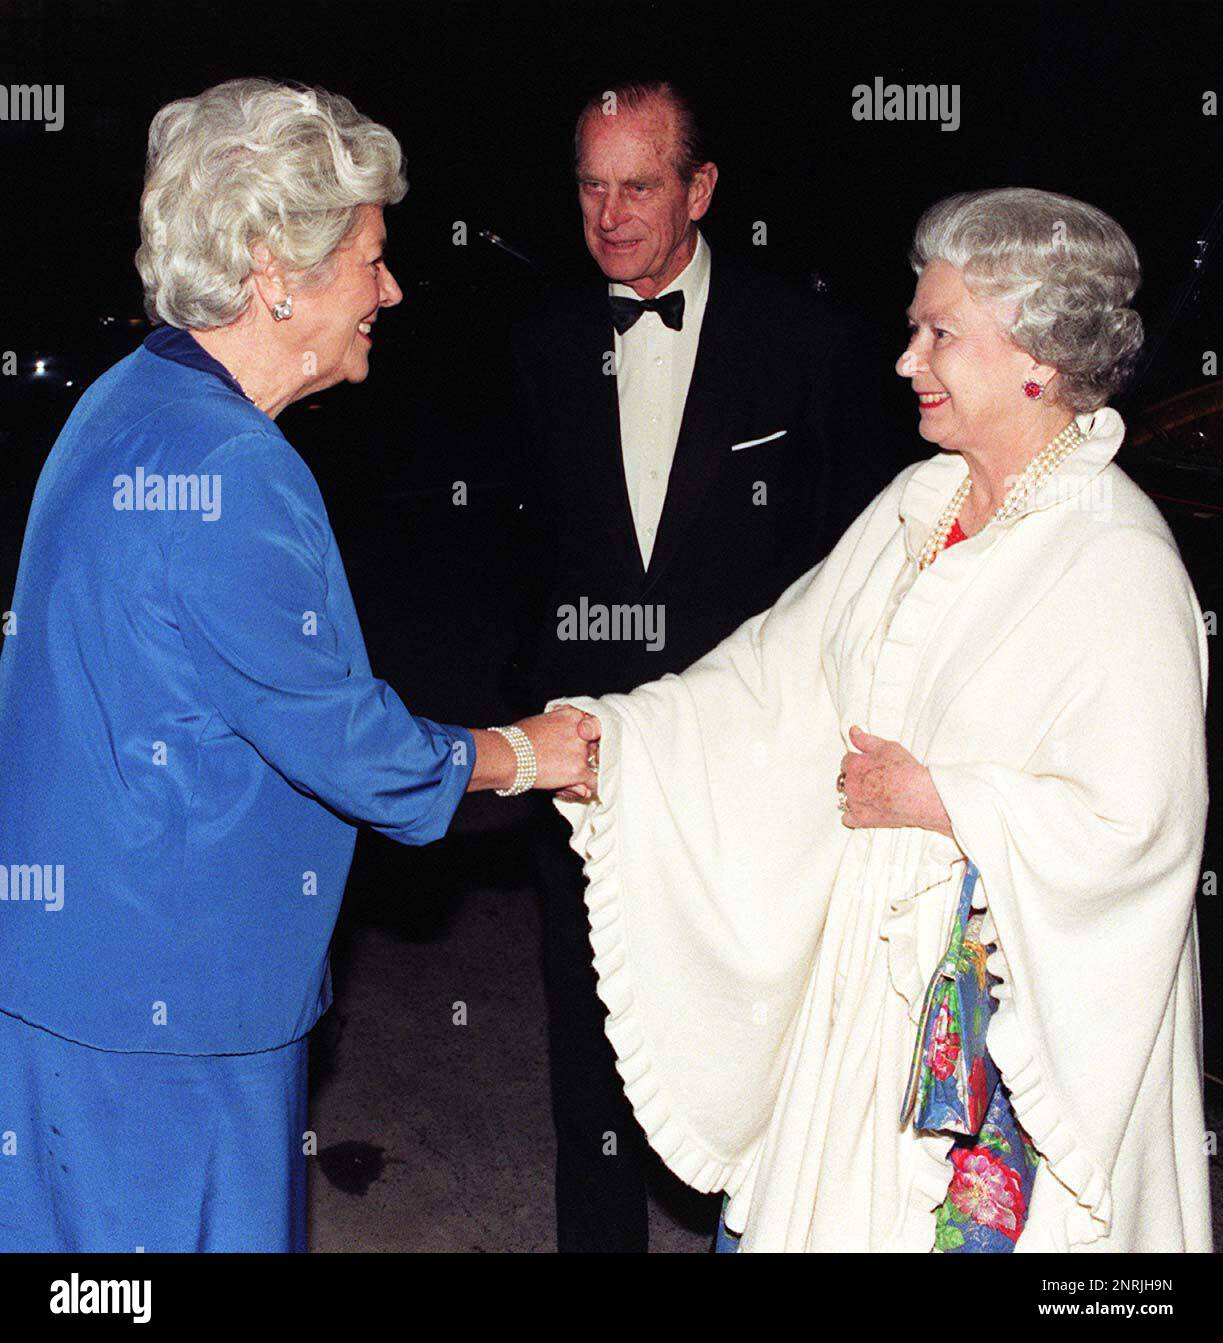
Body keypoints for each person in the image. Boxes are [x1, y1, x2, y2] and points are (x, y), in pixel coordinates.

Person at [552, 187, 1212, 1252]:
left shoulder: (1116, 561)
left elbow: (1141, 834)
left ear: (1037, 356)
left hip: (990, 1064)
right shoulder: (918, 502)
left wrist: (939, 796)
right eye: (914, 329)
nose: (907, 361)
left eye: (938, 333)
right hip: (855, 1025)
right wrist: (601, 740)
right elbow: (767, 681)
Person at [0, 77, 597, 1253]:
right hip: (167, 1018)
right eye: (369, 258)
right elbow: (348, 743)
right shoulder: (233, 470)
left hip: (68, 979)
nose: (390, 288)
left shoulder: (127, 397)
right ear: (277, 269)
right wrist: (525, 751)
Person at [511, 79, 907, 1252]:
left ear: (700, 187)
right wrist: (526, 722)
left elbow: (853, 565)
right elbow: (514, 557)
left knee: (759, 1048)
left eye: (639, 183)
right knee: (588, 1048)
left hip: (750, 766)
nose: (611, 212)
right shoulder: (537, 344)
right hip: (586, 753)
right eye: (590, 183)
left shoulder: (809, 342)